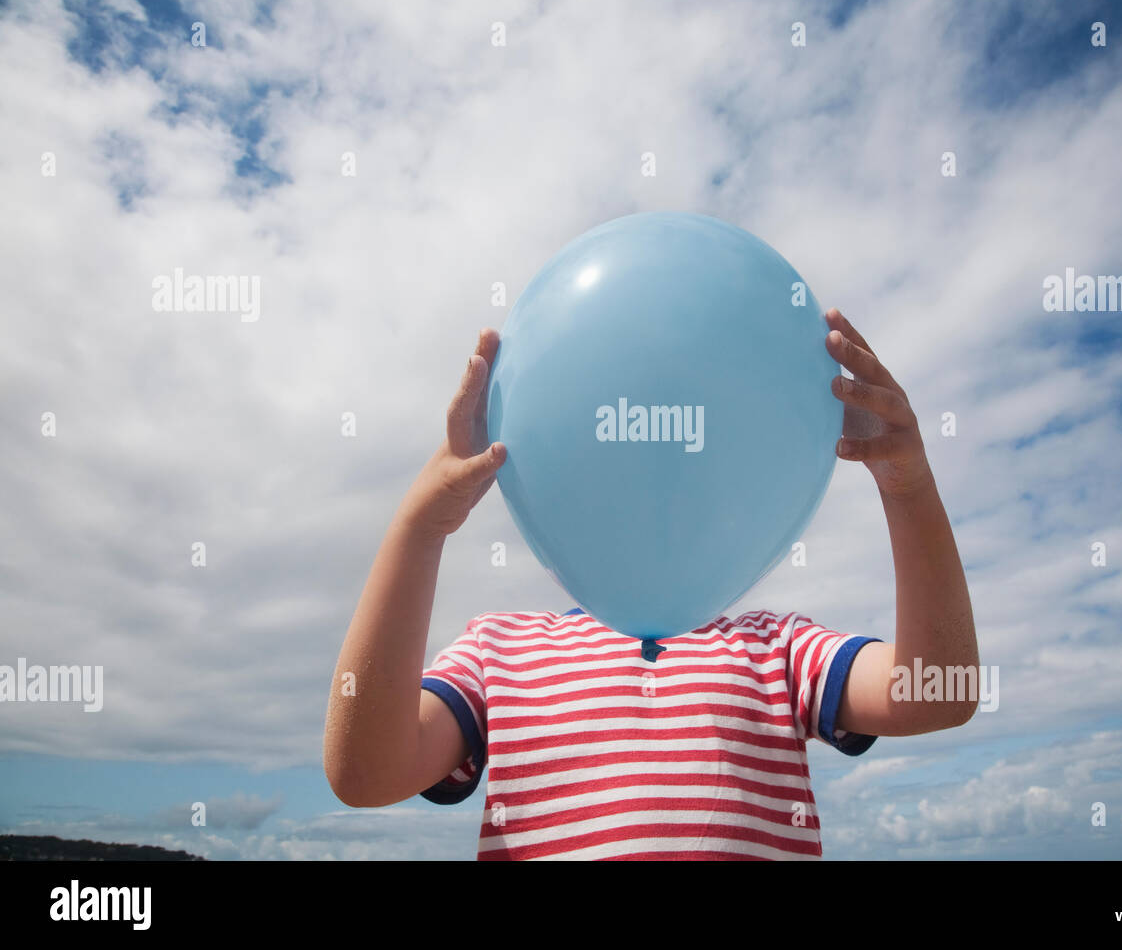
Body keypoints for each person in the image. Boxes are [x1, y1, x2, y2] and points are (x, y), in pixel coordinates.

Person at [323, 308, 978, 859]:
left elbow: (936, 693)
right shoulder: (499, 652)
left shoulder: (775, 646)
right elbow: (365, 773)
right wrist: (418, 526)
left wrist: (908, 486)